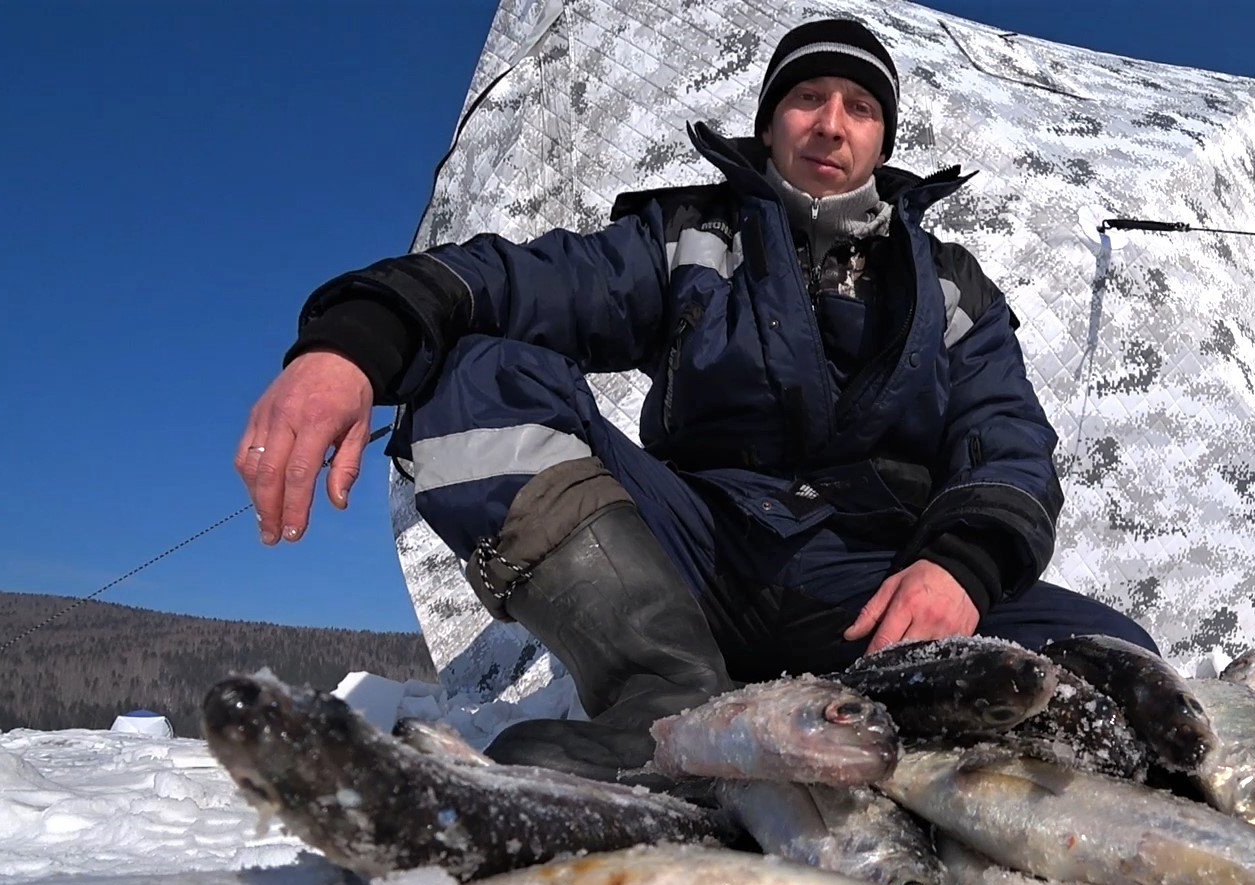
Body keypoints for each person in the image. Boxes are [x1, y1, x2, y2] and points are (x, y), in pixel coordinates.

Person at [237, 18, 1157, 781]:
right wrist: (351, 349)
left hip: (870, 596)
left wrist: (962, 564)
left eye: (860, 106)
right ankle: (660, 700)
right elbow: (515, 283)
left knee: (1116, 664)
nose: (831, 124)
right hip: (695, 555)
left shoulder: (955, 291)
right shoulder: (688, 241)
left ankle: (913, 761)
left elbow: (1009, 441)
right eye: (807, 98)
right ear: (770, 125)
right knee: (473, 371)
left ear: (882, 138)